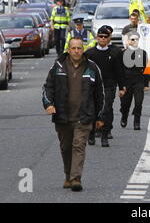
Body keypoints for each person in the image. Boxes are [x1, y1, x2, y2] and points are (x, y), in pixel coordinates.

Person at [42, 37, 105, 192]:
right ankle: (68, 175)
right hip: (63, 116)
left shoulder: (92, 67)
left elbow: (100, 94)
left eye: (79, 48)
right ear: (68, 50)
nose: (76, 51)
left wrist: (100, 117)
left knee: (79, 146)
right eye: (73, 48)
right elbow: (48, 87)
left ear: (83, 50)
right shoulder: (58, 66)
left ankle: (76, 178)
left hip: (84, 116)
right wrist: (48, 104)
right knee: (66, 148)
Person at [86, 26, 126, 147]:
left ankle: (104, 135)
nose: (103, 39)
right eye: (100, 36)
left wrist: (122, 86)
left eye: (105, 37)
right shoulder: (89, 53)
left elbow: (119, 70)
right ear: (97, 37)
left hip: (109, 85)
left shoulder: (115, 52)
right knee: (93, 111)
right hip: (93, 87)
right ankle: (92, 133)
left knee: (106, 110)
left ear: (109, 39)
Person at [120, 31, 150, 130]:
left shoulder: (142, 53)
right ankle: (124, 117)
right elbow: (119, 70)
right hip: (126, 81)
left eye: (136, 39)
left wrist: (146, 83)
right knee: (125, 103)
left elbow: (146, 68)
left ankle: (137, 122)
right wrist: (121, 84)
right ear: (128, 41)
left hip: (138, 80)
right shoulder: (123, 53)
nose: (134, 41)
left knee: (138, 102)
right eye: (132, 39)